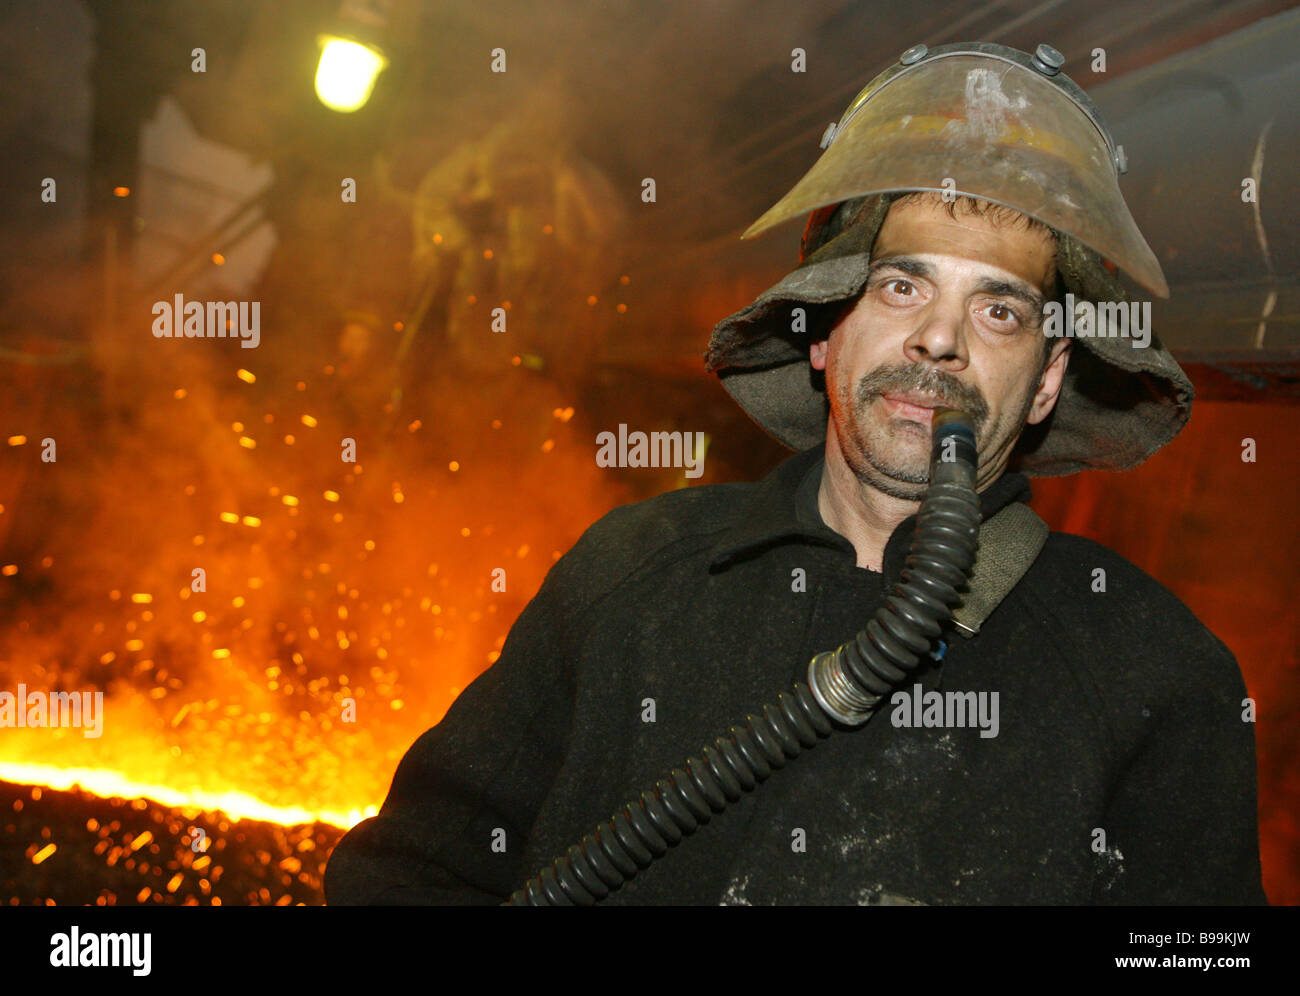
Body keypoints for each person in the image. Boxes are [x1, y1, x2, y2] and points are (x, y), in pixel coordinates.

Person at [323, 42, 1266, 905]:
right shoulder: (632, 578)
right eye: (901, 286)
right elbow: (408, 874)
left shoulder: (1154, 674)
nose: (939, 338)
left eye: (1001, 312)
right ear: (822, 332)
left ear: (1050, 378)